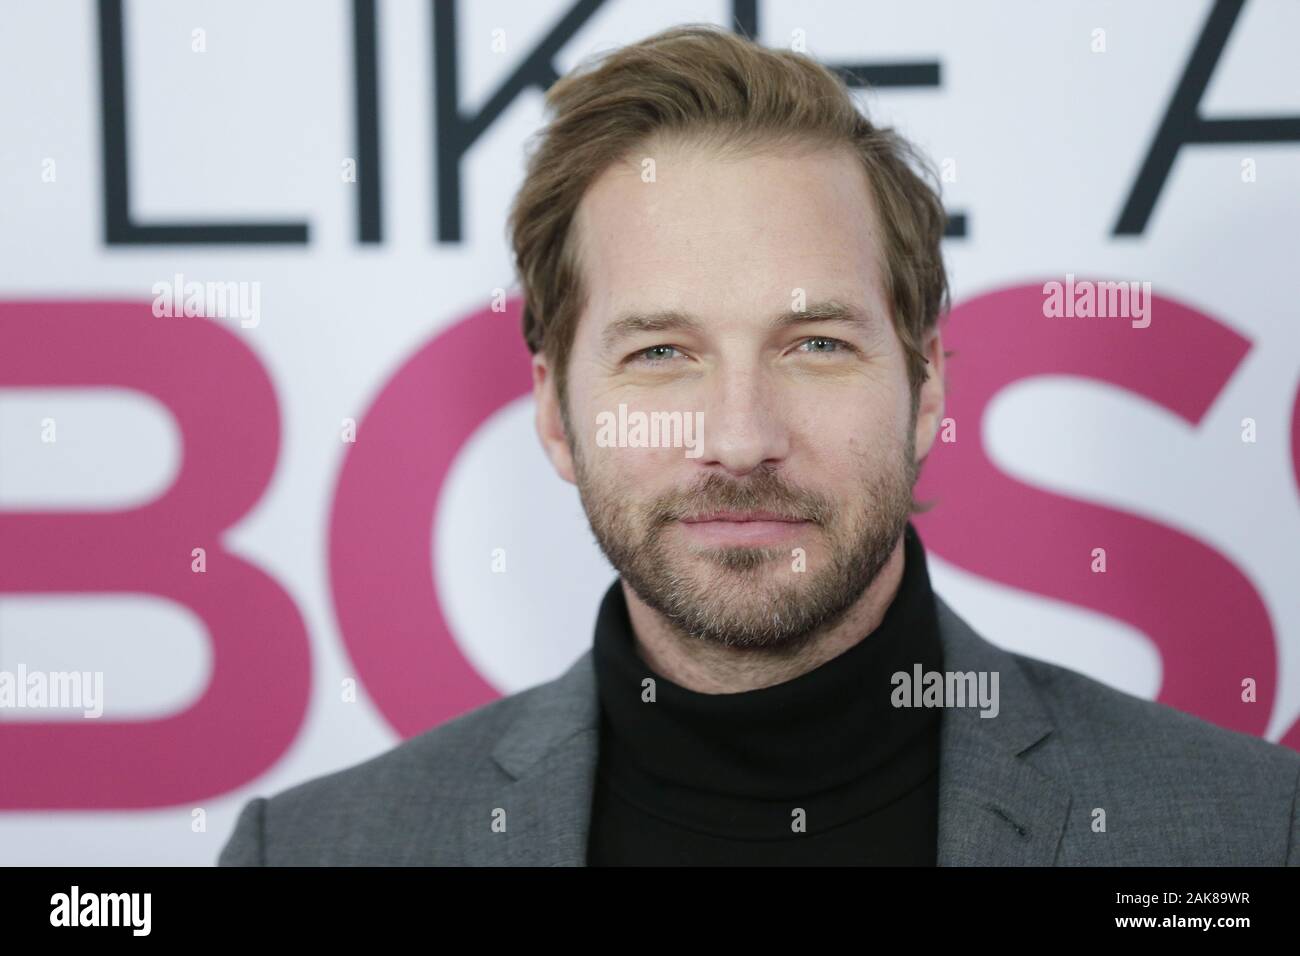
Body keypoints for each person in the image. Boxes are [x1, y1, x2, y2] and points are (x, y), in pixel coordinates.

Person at [219, 24, 1299, 866]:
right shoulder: (317, 850)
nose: (739, 438)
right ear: (555, 411)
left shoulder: (1245, 832)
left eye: (816, 343)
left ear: (925, 388)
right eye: (660, 353)